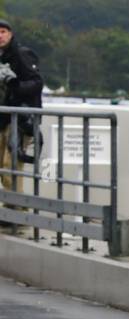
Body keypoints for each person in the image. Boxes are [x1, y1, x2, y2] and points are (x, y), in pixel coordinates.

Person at [0, 18, 42, 195]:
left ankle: (15, 212)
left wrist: (14, 84)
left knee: (11, 167)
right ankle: (14, 209)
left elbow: (37, 82)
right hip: (2, 119)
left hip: (19, 120)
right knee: (3, 167)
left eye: (3, 32)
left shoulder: (21, 54)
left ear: (11, 34)